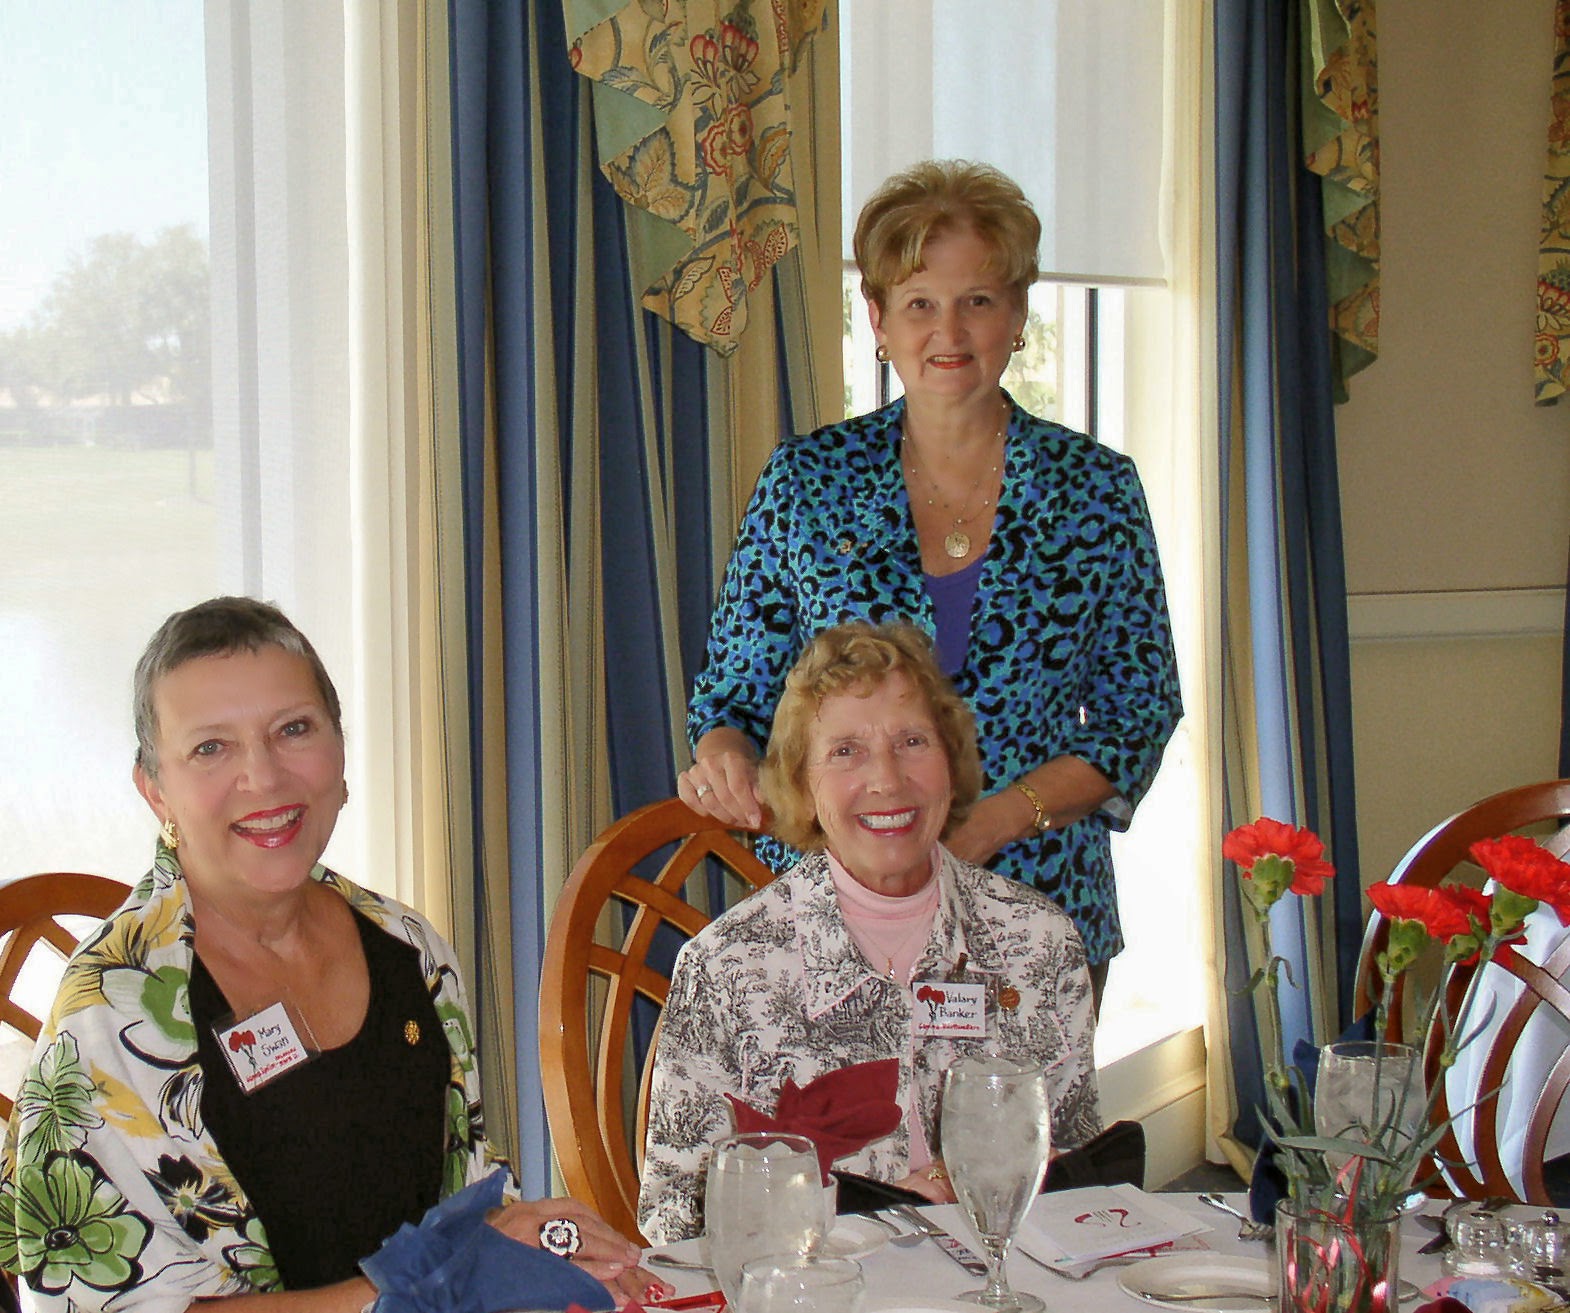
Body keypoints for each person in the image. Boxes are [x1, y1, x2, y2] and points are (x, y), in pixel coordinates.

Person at [0, 597, 665, 1312]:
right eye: (211, 748)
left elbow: (465, 1201)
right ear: (154, 789)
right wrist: (408, 1290)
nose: (264, 777)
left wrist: (535, 1235)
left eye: (293, 729)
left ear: (341, 749)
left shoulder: (409, 949)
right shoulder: (110, 1016)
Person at [680, 160, 1182, 1011]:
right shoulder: (808, 480)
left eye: (978, 300)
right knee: (838, 1140)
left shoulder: (1096, 489)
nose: (949, 330)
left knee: (1020, 1147)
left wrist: (995, 821)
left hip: (1037, 906)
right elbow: (731, 695)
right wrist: (726, 758)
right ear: (876, 318)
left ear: (1018, 315)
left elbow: (1140, 709)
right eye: (919, 303)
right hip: (835, 912)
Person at [638, 621, 1101, 1244]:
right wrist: (859, 1222)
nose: (886, 779)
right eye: (845, 751)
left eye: (913, 741)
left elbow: (1080, 1187)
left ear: (952, 762)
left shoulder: (1036, 943)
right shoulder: (729, 969)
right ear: (801, 782)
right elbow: (677, 1227)